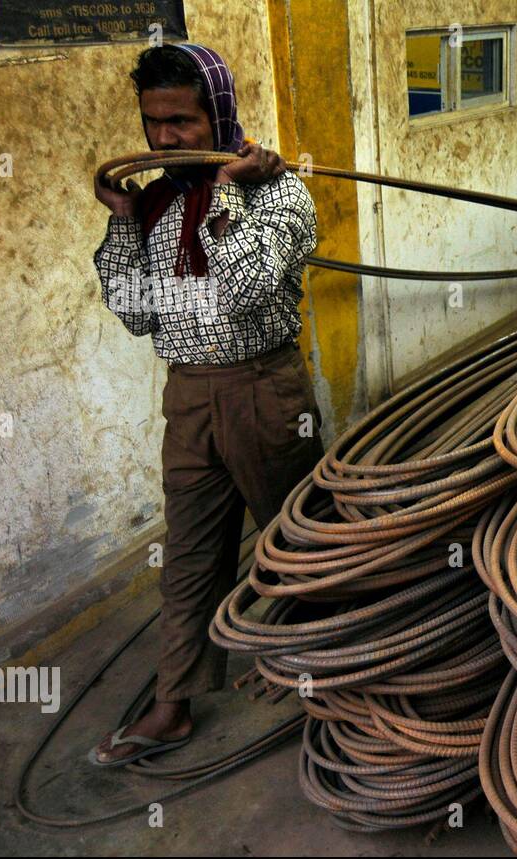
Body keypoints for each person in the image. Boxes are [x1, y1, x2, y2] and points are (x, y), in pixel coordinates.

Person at [90, 43, 323, 766]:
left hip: (264, 389)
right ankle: (173, 703)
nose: (164, 139)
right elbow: (134, 312)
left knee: (299, 542)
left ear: (216, 113)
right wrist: (125, 217)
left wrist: (225, 187)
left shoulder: (279, 192)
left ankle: (324, 673)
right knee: (190, 553)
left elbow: (249, 288)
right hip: (188, 395)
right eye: (155, 122)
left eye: (183, 122)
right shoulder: (155, 201)